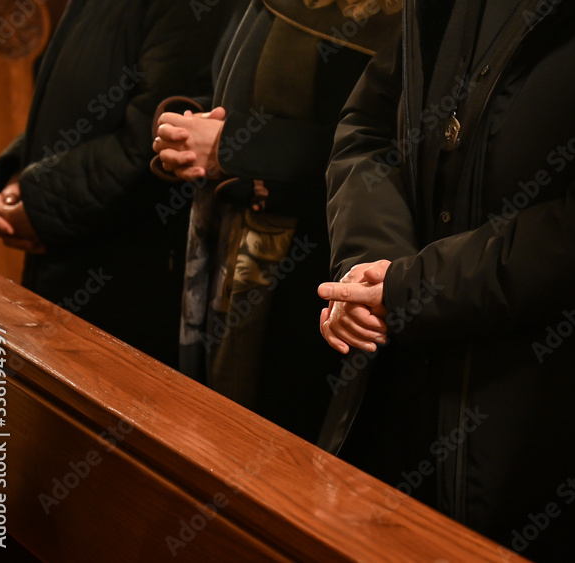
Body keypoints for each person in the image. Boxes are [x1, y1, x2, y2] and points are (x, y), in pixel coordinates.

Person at [317, 0, 575, 559]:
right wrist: (372, 267)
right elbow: (370, 131)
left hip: (536, 438)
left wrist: (414, 287)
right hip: (396, 398)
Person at [151, 0, 400, 441]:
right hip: (228, 242)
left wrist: (235, 149)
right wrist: (192, 134)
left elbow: (378, 145)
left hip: (313, 266)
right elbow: (237, 90)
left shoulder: (401, 15)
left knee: (271, 444)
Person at [0, 0, 233, 367]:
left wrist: (39, 199)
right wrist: (19, 174)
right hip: (65, 255)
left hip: (122, 283)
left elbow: (151, 142)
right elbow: (74, 105)